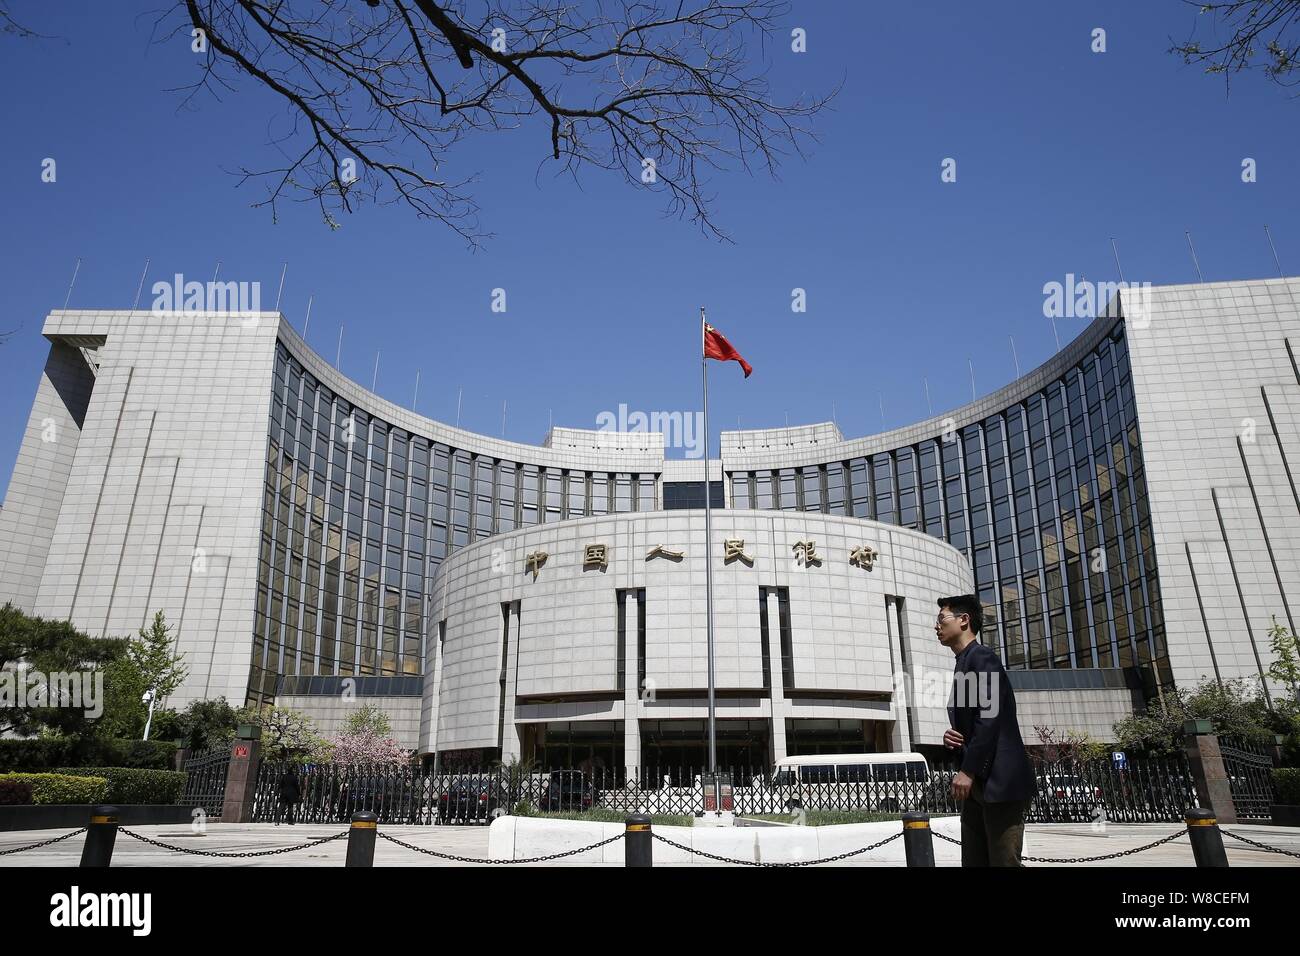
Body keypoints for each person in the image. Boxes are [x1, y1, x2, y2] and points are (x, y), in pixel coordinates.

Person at [937, 594, 1035, 866]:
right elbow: (978, 719)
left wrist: (968, 770)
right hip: (977, 785)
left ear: (964, 620)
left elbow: (989, 717)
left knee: (1004, 862)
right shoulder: (964, 662)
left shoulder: (983, 658)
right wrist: (953, 737)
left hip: (998, 782)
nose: (937, 627)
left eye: (941, 619)